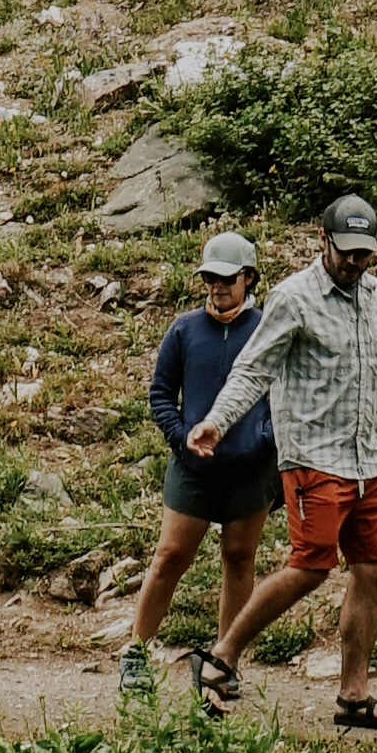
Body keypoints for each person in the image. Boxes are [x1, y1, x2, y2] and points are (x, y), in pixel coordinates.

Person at [216, 194, 377, 733]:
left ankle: (354, 695)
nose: (354, 262)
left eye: (364, 254)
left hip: (368, 459)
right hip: (312, 456)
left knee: (372, 569)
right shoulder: (294, 299)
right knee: (311, 566)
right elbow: (253, 370)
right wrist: (217, 422)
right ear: (323, 240)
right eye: (345, 252)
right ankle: (222, 657)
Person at [123, 225, 282, 711]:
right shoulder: (185, 328)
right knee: (170, 556)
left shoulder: (269, 329)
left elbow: (287, 398)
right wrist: (181, 439)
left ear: (249, 278)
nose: (216, 286)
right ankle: (136, 652)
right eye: (210, 278)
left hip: (250, 471)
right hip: (192, 468)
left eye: (226, 278)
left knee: (239, 558)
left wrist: (264, 441)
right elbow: (159, 393)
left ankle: (223, 662)